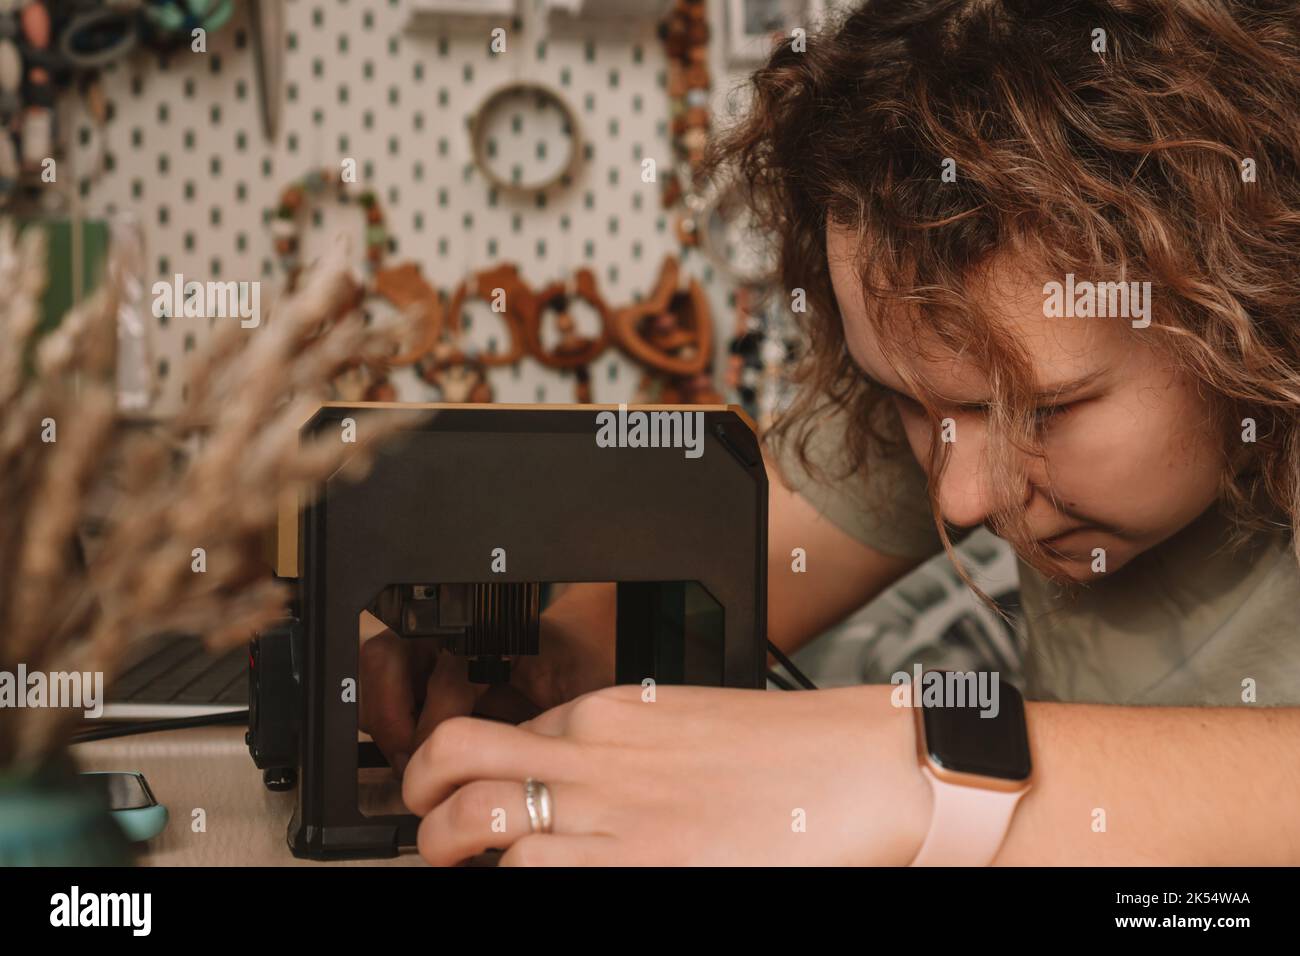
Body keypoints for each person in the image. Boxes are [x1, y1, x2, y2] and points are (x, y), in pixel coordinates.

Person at [361, 0, 1300, 865]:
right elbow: (692, 599)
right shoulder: (955, 397)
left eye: (1042, 412)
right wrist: (528, 656)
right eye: (909, 403)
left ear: (1258, 300)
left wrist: (918, 773)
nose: (962, 496)